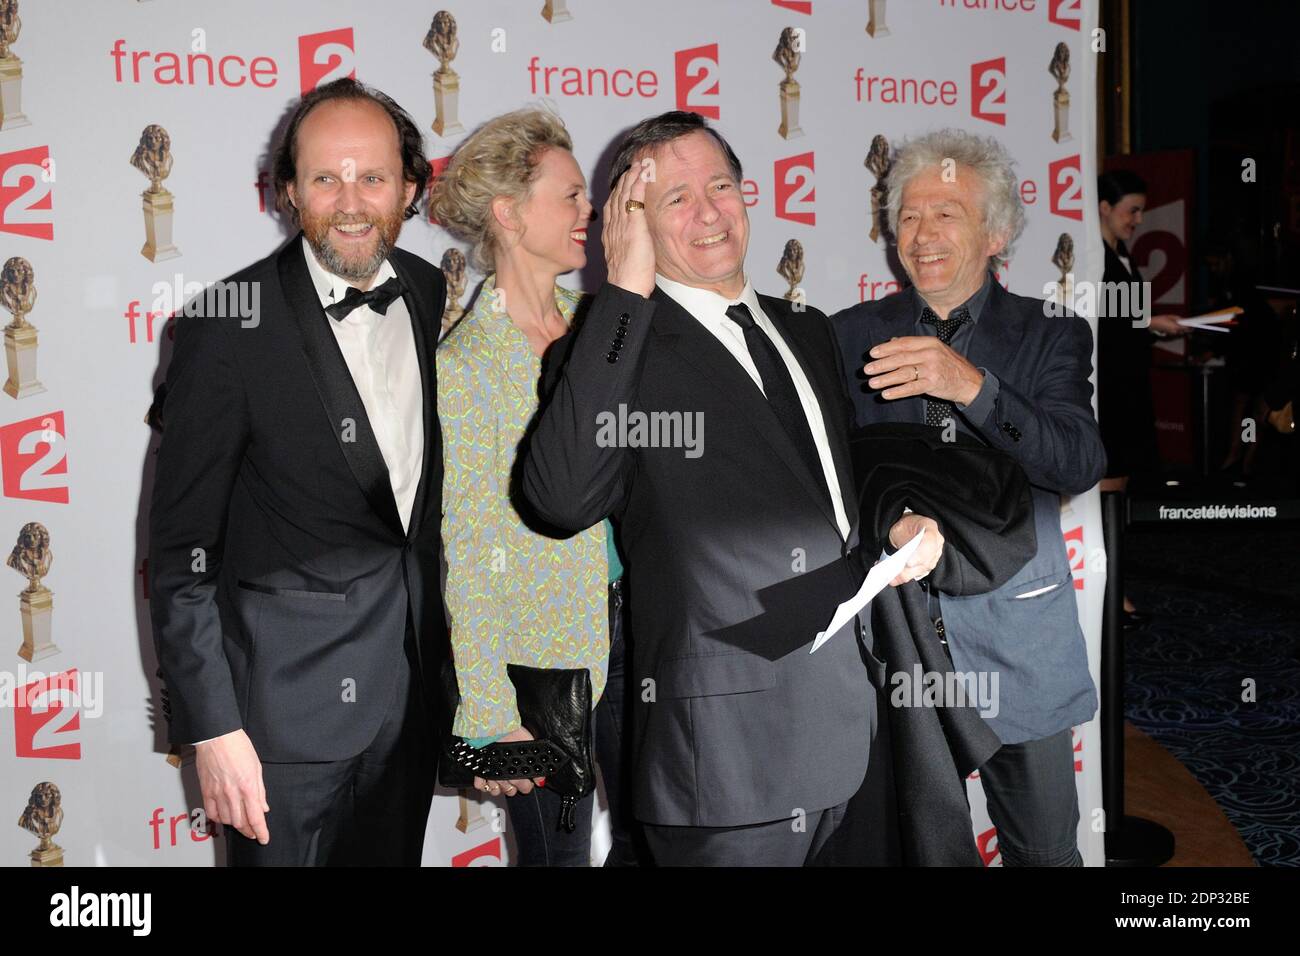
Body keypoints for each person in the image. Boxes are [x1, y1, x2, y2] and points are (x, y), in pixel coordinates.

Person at [521, 110, 943, 866]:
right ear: (632, 224)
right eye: (675, 199)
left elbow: (834, 484)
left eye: (720, 185)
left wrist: (898, 520)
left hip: (856, 720)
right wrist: (623, 294)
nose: (709, 211)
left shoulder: (805, 327)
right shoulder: (614, 346)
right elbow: (559, 497)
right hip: (724, 763)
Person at [148, 78, 445, 866]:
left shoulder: (429, 291)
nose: (351, 202)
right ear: (288, 191)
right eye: (325, 178)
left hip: (409, 705)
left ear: (411, 187)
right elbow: (181, 555)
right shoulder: (225, 325)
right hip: (278, 727)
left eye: (373, 177)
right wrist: (213, 727)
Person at [832, 128, 1103, 866]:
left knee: (1045, 853)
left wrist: (971, 387)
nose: (923, 236)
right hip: (897, 650)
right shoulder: (847, 335)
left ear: (997, 232)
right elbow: (830, 479)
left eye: (947, 214)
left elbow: (1077, 461)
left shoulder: (1050, 334)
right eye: (910, 217)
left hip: (1020, 645)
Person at [430, 107, 640, 866]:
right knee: (557, 858)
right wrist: (489, 714)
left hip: (646, 633)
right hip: (539, 667)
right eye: (571, 196)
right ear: (509, 213)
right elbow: (468, 545)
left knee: (659, 838)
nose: (590, 210)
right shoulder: (464, 367)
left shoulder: (606, 328)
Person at [1096, 170, 1188, 624]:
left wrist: (1152, 324)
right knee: (1107, 492)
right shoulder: (1091, 256)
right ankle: (1107, 590)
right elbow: (1101, 327)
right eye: (1131, 210)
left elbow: (1126, 324)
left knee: (1119, 491)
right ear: (1103, 209)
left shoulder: (1123, 254)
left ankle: (1111, 585)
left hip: (1129, 387)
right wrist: (1149, 323)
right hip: (1107, 391)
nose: (1137, 219)